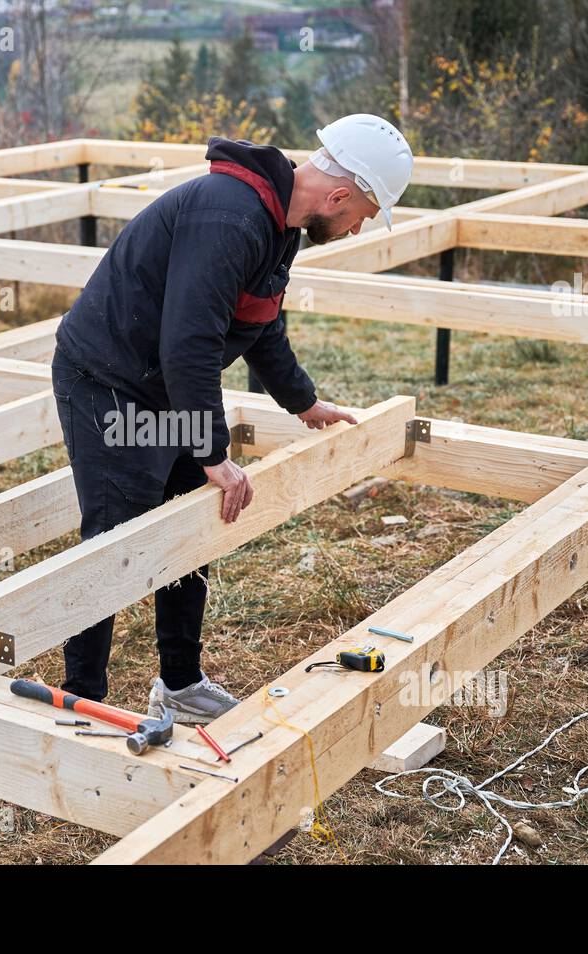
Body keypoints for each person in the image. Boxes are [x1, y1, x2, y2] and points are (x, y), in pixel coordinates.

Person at [51, 114, 415, 722]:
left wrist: (301, 400)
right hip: (108, 384)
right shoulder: (231, 216)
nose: (357, 227)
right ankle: (81, 702)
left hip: (164, 387)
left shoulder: (279, 225)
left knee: (191, 528)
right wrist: (213, 453)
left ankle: (180, 684)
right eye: (362, 215)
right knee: (115, 541)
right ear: (340, 195)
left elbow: (260, 320)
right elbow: (191, 341)